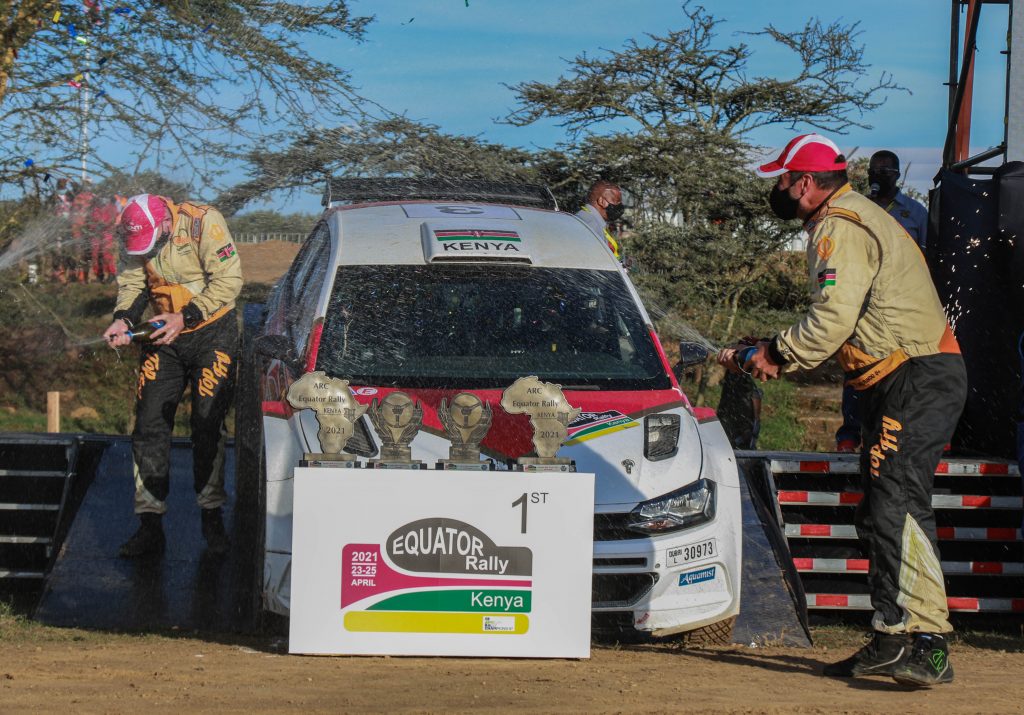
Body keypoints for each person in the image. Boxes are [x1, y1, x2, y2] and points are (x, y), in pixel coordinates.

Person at [718, 134, 966, 687]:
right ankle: (900, 639)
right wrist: (773, 347)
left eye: (781, 180)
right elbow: (849, 326)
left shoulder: (841, 227)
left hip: (915, 376)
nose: (777, 191)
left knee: (893, 501)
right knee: (885, 503)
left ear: (805, 184)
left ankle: (922, 643)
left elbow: (831, 319)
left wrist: (776, 354)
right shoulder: (852, 217)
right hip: (906, 374)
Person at [102, 194, 243, 558]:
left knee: (206, 423)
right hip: (161, 333)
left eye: (152, 241)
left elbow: (230, 279)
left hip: (212, 332)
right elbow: (133, 284)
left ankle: (212, 522)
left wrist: (187, 317)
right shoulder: (133, 233)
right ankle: (150, 526)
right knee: (148, 424)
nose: (146, 251)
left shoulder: (204, 221)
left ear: (165, 220)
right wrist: (123, 319)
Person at [835, 150, 931, 451]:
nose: (878, 177)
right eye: (873, 172)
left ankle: (892, 436)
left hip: (901, 308)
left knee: (900, 372)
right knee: (856, 366)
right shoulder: (857, 208)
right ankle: (850, 434)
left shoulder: (914, 213)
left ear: (897, 175)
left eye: (885, 172)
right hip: (862, 304)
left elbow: (926, 259)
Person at [575, 180, 625, 259]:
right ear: (601, 201)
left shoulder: (591, 220)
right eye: (617, 201)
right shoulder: (590, 225)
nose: (620, 206)